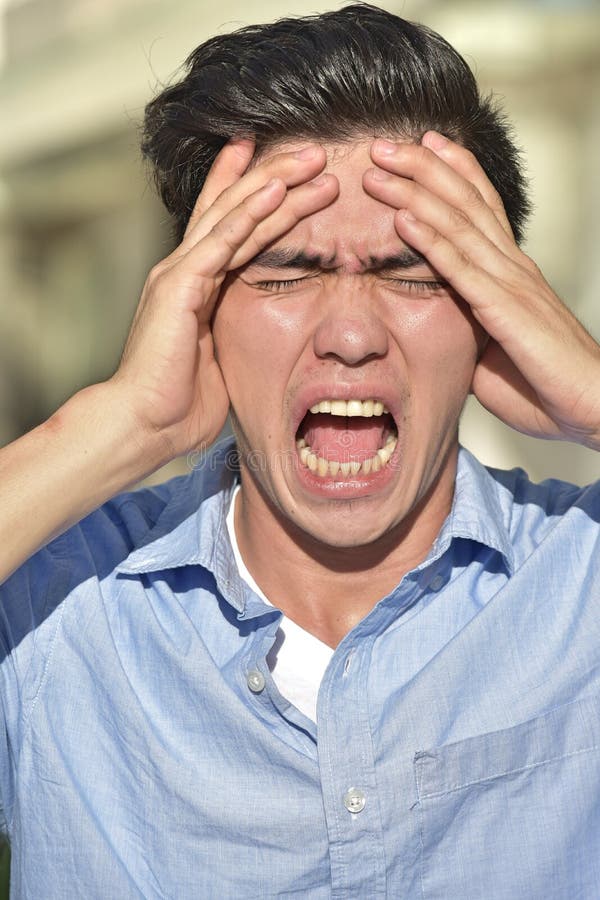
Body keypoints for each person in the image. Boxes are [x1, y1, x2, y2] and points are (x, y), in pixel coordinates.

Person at [1, 3, 599, 897]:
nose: (351, 334)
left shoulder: (580, 579)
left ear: (496, 311)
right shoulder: (54, 610)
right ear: (196, 310)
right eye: (284, 273)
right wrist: (124, 422)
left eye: (415, 274)